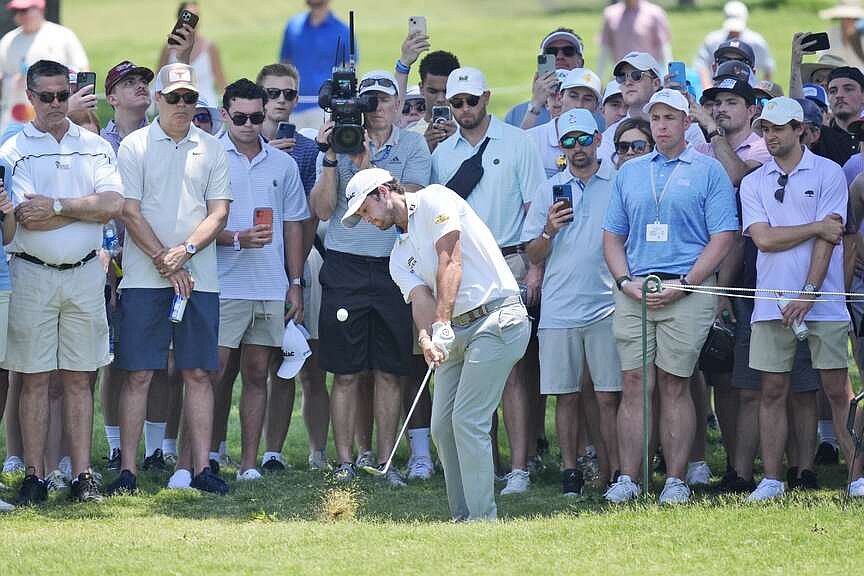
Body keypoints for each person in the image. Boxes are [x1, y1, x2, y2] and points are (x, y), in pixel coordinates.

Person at [343, 167, 529, 520]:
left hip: (497, 317)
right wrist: (428, 337)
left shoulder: (434, 199)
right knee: (443, 426)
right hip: (455, 332)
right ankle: (462, 517)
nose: (366, 220)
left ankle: (482, 518)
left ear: (382, 192)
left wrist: (441, 322)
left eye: (365, 211)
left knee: (468, 421)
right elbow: (420, 299)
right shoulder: (398, 255)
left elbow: (451, 260)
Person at [603, 89, 738, 504]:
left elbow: (724, 237)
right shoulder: (630, 171)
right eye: (656, 118)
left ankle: (676, 479)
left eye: (669, 118)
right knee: (633, 382)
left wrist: (688, 283)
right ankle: (629, 479)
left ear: (686, 123)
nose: (661, 125)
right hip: (635, 288)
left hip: (688, 287)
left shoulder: (708, 170)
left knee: (675, 382)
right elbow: (612, 236)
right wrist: (625, 281)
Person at [0, 59, 123, 504]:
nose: (55, 104)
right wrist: (79, 207)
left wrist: (56, 207)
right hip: (32, 274)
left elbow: (112, 203)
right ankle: (35, 474)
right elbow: (24, 219)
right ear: (30, 98)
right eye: (46, 96)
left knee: (79, 377)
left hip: (85, 273)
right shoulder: (14, 150)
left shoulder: (94, 145)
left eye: (60, 94)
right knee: (31, 379)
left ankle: (82, 475)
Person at [108, 63, 231, 496]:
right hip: (145, 277)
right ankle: (127, 471)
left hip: (200, 278)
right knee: (139, 373)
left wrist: (186, 252)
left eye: (190, 98)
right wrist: (167, 259)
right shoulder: (135, 146)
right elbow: (129, 211)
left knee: (198, 372)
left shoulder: (212, 147)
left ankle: (201, 469)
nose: (183, 105)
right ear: (157, 99)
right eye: (174, 97)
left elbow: (219, 212)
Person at [309, 70, 431, 485]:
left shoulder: (413, 143)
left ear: (398, 104)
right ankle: (344, 461)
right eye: (370, 100)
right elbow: (323, 210)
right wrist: (330, 157)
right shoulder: (341, 139)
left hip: (395, 266)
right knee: (344, 371)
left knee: (390, 370)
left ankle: (385, 461)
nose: (377, 108)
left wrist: (368, 166)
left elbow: (408, 200)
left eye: (385, 100)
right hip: (345, 264)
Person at [740, 97, 864, 500]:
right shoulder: (754, 181)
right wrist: (813, 227)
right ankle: (773, 480)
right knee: (772, 390)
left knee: (836, 390)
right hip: (770, 302)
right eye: (765, 129)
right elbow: (764, 239)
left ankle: (857, 477)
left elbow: (831, 241)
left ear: (801, 130)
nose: (770, 135)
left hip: (823, 302)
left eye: (779, 127)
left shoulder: (828, 173)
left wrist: (809, 294)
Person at [431, 67, 546, 495]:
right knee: (468, 372)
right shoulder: (442, 154)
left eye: (471, 101)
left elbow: (536, 206)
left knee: (511, 372)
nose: (464, 110)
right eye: (456, 103)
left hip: (509, 259)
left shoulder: (518, 143)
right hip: (461, 268)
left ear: (487, 98)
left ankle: (518, 468)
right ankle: (484, 467)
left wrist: (535, 267)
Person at [211, 78, 308, 480]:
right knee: (213, 377)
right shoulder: (209, 156)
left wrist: (296, 281)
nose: (249, 125)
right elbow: (193, 224)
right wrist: (236, 238)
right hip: (219, 285)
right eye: (240, 117)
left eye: (256, 116)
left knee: (256, 374)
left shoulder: (282, 165)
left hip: (269, 285)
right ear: (225, 115)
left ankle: (249, 464)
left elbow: (294, 226)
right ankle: (207, 456)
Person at [522, 108, 622, 494]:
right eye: (569, 142)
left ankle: (616, 471)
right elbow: (532, 254)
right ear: (561, 147)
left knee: (607, 394)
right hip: (560, 307)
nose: (578, 149)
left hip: (606, 304)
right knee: (564, 395)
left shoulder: (618, 183)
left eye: (584, 140)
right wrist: (549, 229)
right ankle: (570, 471)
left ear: (598, 140)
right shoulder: (549, 189)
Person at [256, 62, 328, 471]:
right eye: (273, 93)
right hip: (256, 260)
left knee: (308, 363)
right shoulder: (238, 145)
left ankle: (317, 452)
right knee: (259, 365)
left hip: (303, 259)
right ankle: (269, 451)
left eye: (289, 94)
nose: (281, 101)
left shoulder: (306, 147)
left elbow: (312, 213)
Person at [597, 52, 706, 165]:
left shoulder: (688, 128)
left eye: (636, 75)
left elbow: (702, 171)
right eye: (622, 77)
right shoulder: (609, 136)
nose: (628, 82)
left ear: (656, 83)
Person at [0, 0, 88, 131]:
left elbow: (82, 69)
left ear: (40, 9)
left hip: (59, 110)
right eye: (16, 11)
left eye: (25, 10)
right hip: (18, 114)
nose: (20, 14)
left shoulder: (62, 35)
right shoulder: (8, 40)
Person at [279, 0, 351, 130]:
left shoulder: (343, 30)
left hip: (324, 110)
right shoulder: (293, 26)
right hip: (293, 107)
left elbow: (348, 71)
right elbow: (284, 65)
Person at [526, 68, 600, 177]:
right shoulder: (532, 140)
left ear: (597, 107)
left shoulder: (600, 142)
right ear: (560, 98)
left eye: (587, 99)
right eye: (573, 96)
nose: (579, 105)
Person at [504, 28, 585, 129]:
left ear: (580, 62)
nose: (559, 56)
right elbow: (515, 145)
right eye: (551, 52)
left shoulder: (597, 109)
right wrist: (535, 106)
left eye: (568, 51)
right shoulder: (516, 114)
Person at [157, 2, 226, 112]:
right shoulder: (169, 48)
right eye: (189, 16)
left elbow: (221, 81)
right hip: (177, 106)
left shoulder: (210, 47)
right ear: (180, 18)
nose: (194, 22)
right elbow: (159, 80)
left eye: (196, 16)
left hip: (206, 107)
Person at [695, 1, 774, 88]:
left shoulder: (756, 41)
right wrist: (707, 89)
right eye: (724, 60)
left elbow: (768, 68)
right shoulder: (712, 40)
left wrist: (761, 91)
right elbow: (702, 65)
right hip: (718, 85)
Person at [395, 47, 460, 154]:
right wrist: (422, 150)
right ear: (421, 88)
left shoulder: (469, 131)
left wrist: (460, 141)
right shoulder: (409, 136)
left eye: (446, 91)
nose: (440, 99)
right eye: (433, 91)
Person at [598, 0, 671, 77]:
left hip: (647, 77)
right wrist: (599, 77)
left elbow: (663, 48)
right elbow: (605, 48)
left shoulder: (655, 13)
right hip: (620, 76)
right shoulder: (610, 13)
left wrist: (667, 74)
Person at [819, 0, 864, 71]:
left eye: (853, 19)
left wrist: (854, 40)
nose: (848, 22)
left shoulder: (861, 37)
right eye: (846, 18)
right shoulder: (831, 34)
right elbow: (823, 59)